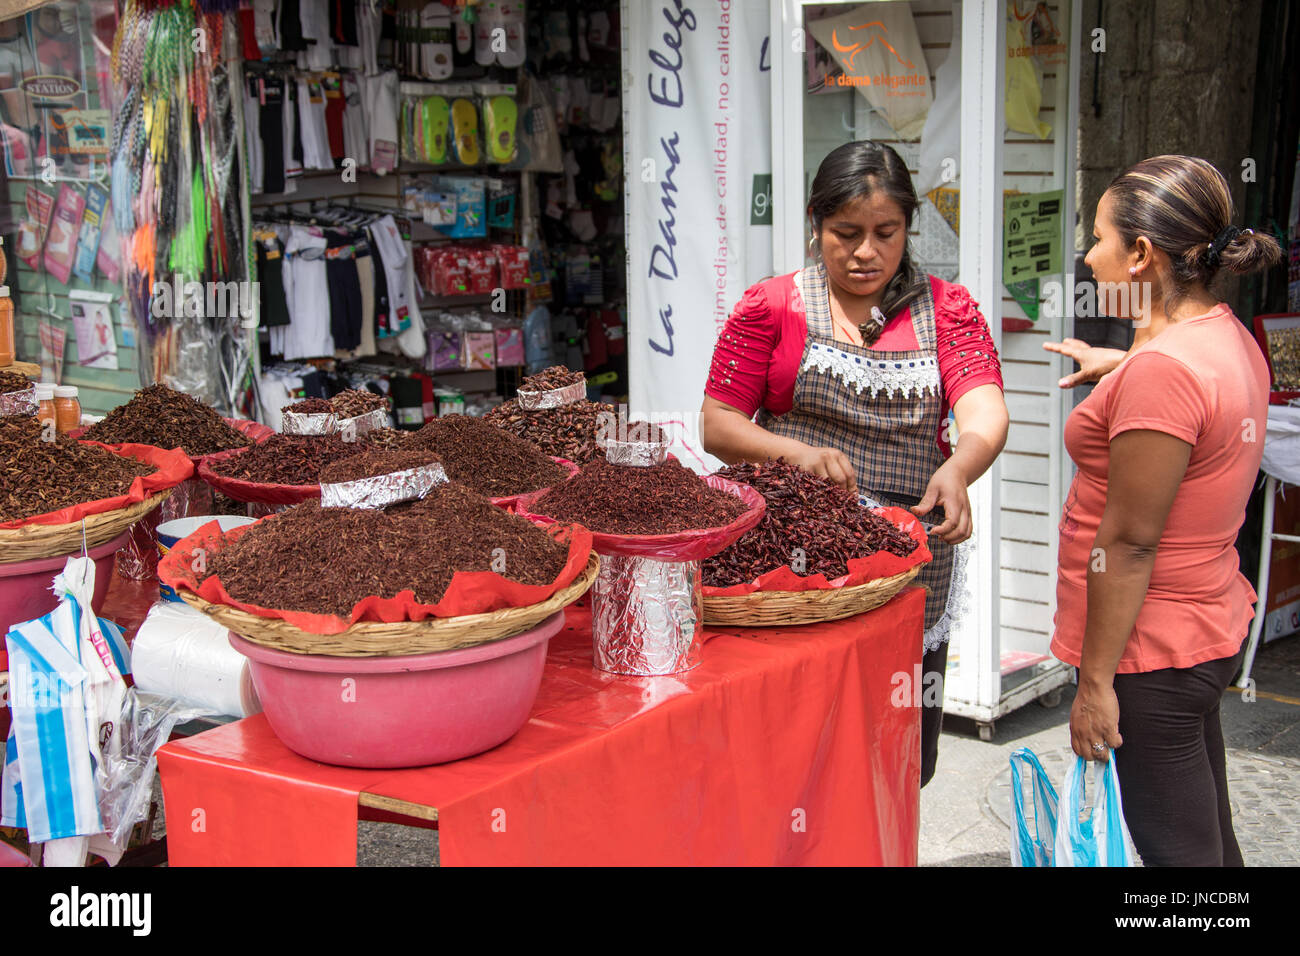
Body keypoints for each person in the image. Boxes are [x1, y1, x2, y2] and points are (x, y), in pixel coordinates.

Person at [700, 141, 1009, 789]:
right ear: (816, 224)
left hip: (908, 560)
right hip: (792, 563)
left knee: (898, 759)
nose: (866, 252)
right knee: (796, 754)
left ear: (908, 228)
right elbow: (718, 425)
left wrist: (961, 468)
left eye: (885, 233)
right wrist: (799, 455)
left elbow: (984, 412)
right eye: (846, 233)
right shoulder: (773, 306)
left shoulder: (946, 310)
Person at [1047, 155, 1282, 866]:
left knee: (1181, 866)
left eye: (1098, 238)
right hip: (1201, 626)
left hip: (1148, 651)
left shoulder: (1164, 372)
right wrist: (1117, 368)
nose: (1088, 258)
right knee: (1206, 843)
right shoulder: (1225, 335)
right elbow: (1189, 399)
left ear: (1142, 254)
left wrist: (1094, 688)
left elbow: (1128, 545)